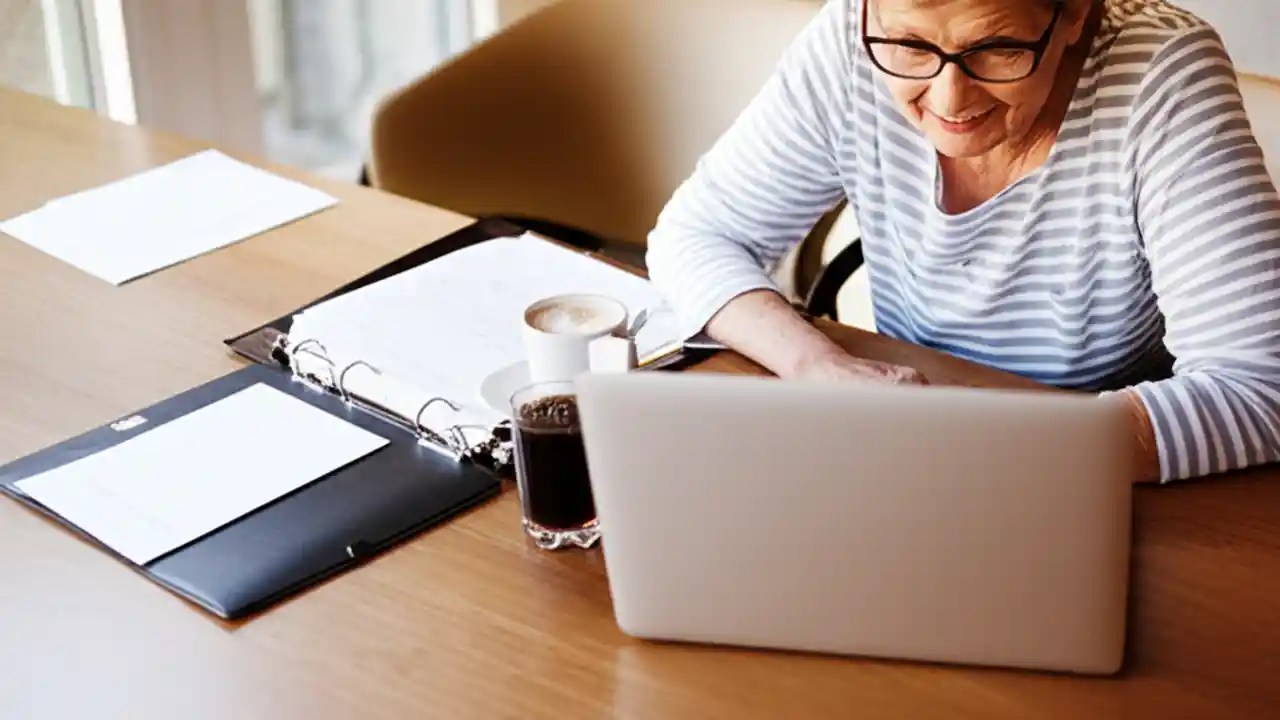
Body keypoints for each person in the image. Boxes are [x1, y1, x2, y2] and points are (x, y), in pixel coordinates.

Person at [645, 0, 1280, 484]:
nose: (949, 99)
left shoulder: (1161, 75)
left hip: (1084, 480)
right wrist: (819, 367)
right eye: (910, 45)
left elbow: (1259, 389)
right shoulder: (853, 36)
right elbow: (695, 233)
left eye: (998, 47)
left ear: (1074, 13)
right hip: (901, 459)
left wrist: (967, 443)